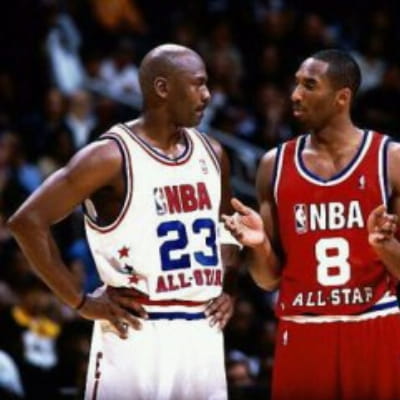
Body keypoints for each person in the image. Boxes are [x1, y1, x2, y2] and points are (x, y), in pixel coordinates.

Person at [7, 44, 238, 400]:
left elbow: (226, 228)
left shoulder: (214, 152)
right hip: (138, 331)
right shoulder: (110, 156)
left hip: (202, 332)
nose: (207, 95)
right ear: (162, 88)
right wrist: (80, 302)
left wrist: (227, 286)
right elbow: (27, 221)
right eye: (198, 84)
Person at [222, 49, 400, 400]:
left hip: (374, 323)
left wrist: (385, 246)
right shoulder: (273, 165)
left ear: (342, 97)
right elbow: (268, 279)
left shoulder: (390, 160)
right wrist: (259, 245)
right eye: (296, 84)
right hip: (303, 328)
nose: (295, 94)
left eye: (309, 85)